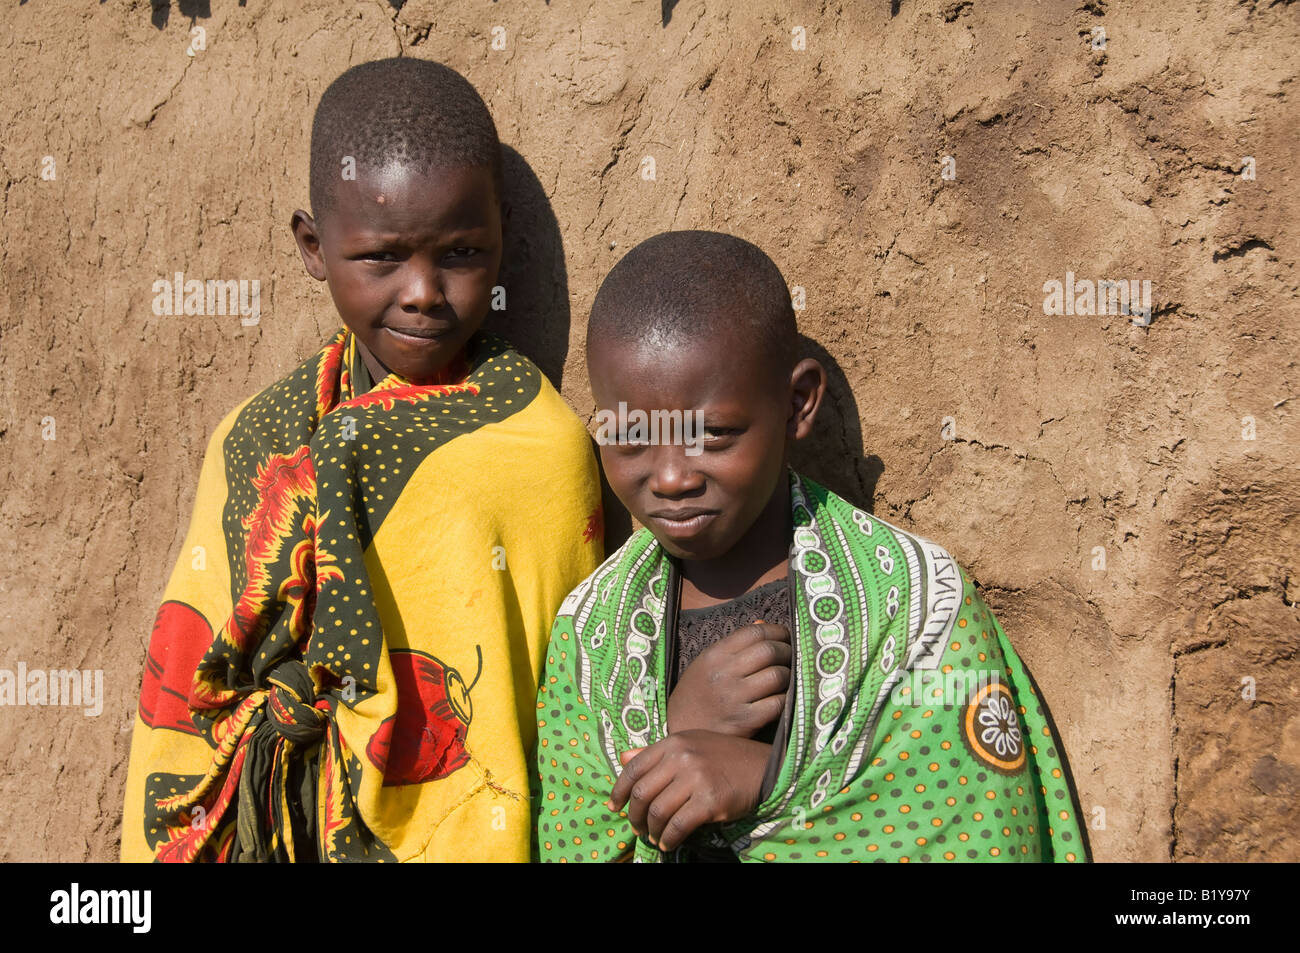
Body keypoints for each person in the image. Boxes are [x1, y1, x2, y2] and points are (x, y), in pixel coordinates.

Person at [122, 58, 603, 862]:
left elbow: (556, 716)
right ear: (314, 246)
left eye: (461, 253)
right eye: (382, 257)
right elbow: (190, 679)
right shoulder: (255, 438)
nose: (422, 290)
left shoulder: (541, 452)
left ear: (501, 239)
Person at [535, 230, 1088, 862]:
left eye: (712, 434)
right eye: (631, 436)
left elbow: (979, 837)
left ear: (798, 403)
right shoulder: (591, 637)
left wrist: (765, 785)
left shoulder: (912, 609)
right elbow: (573, 842)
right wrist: (676, 736)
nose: (671, 477)